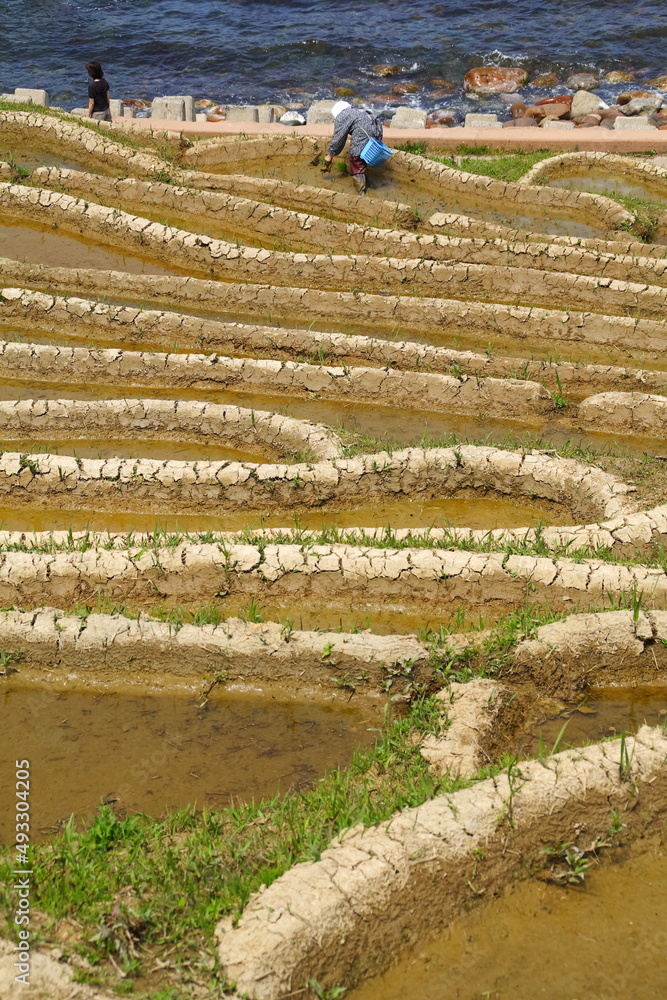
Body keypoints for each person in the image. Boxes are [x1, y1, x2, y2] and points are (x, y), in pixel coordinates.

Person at [322, 100, 384, 194]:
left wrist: (330, 155)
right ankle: (366, 181)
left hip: (364, 135)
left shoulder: (343, 116)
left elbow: (339, 138)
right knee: (363, 157)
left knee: (356, 160)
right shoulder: (358, 111)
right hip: (377, 135)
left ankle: (361, 192)